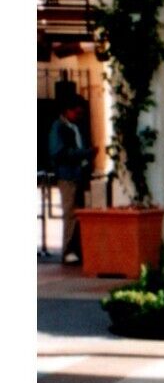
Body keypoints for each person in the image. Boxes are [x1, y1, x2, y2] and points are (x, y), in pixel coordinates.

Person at [47, 93, 94, 263]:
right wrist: (83, 153)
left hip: (78, 174)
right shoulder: (58, 128)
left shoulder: (74, 127)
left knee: (78, 213)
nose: (78, 116)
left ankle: (77, 249)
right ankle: (68, 250)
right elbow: (58, 152)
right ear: (67, 111)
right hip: (67, 175)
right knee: (70, 214)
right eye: (76, 112)